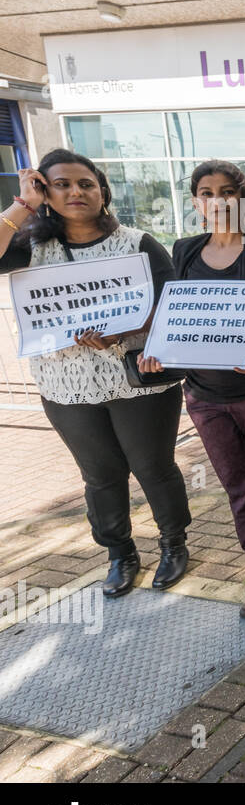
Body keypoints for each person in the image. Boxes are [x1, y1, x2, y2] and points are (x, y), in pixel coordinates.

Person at [0, 149, 191, 597]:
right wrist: (21, 207)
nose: (75, 192)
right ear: (44, 190)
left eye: (85, 183)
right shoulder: (32, 246)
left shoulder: (137, 243)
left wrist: (120, 331)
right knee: (100, 476)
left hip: (138, 383)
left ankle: (173, 545)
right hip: (66, 388)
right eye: (61, 184)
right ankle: (120, 554)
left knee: (154, 468)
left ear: (102, 191)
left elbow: (172, 307)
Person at [139, 161, 245, 617]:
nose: (218, 200)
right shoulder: (186, 249)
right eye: (207, 193)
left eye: (228, 191)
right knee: (238, 482)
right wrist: (158, 349)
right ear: (196, 203)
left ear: (244, 199)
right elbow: (179, 314)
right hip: (203, 391)